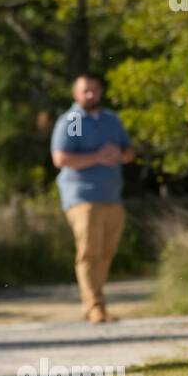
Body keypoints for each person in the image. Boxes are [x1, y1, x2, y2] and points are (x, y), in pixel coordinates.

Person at [49, 75, 135, 323]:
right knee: (89, 253)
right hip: (82, 196)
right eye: (85, 91)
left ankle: (93, 303)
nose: (90, 95)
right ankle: (95, 305)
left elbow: (129, 152)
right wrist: (97, 157)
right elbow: (62, 158)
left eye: (94, 90)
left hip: (111, 196)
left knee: (106, 252)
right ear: (76, 94)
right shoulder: (74, 120)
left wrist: (119, 154)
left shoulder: (111, 120)